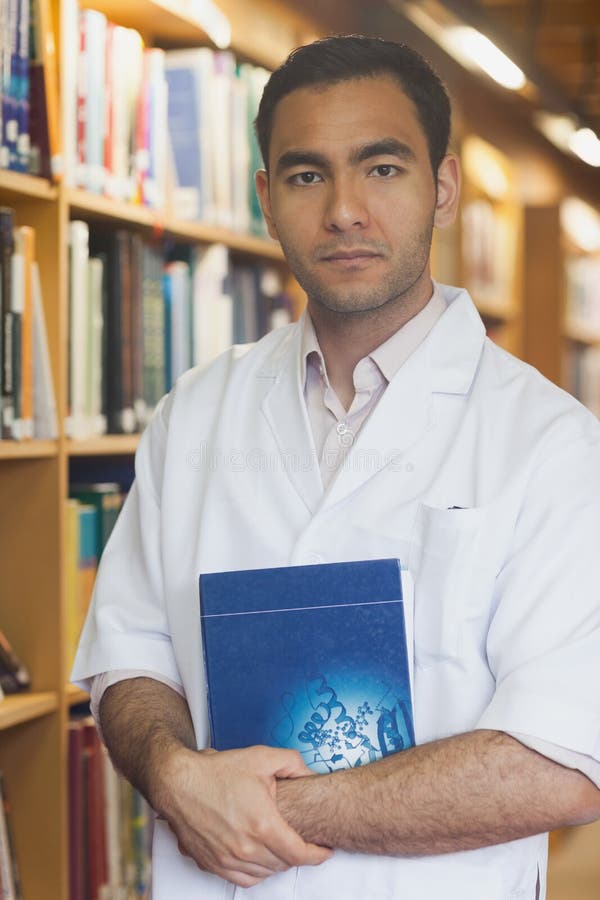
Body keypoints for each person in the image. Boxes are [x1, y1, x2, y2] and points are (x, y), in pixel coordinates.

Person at [72, 35, 600, 900]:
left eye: (382, 168)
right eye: (306, 174)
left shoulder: (552, 444)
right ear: (265, 199)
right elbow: (128, 658)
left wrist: (265, 811)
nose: (345, 210)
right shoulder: (194, 414)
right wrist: (170, 773)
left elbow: (564, 760)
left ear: (444, 189)